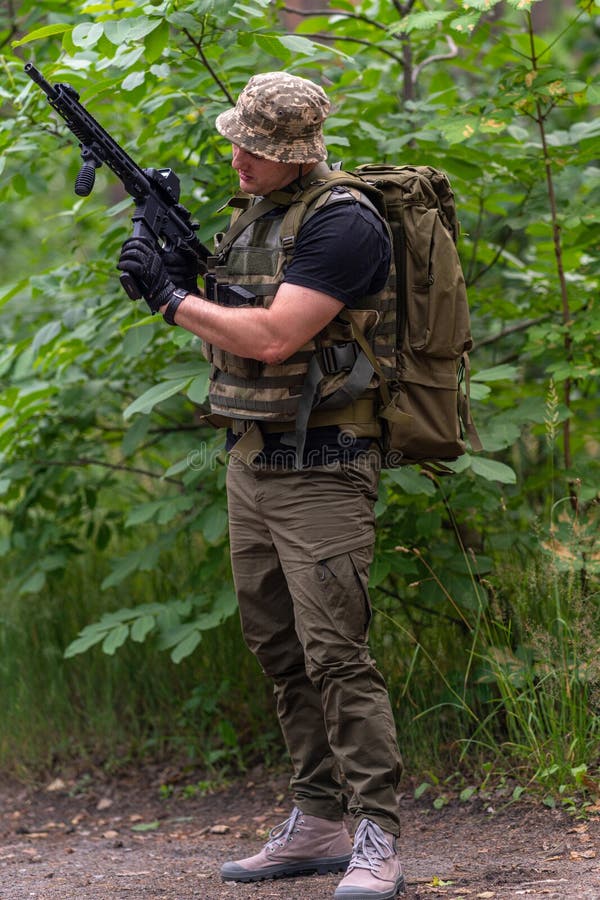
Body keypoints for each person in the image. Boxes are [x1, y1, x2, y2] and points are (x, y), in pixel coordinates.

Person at [117, 71, 405, 900]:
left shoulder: (345, 222)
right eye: (239, 138)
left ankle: (378, 834)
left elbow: (278, 336)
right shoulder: (260, 209)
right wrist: (184, 269)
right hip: (253, 456)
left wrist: (170, 299)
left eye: (255, 146)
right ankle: (317, 819)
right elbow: (243, 311)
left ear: (296, 154)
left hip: (321, 464)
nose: (236, 155)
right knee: (279, 648)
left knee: (337, 655)